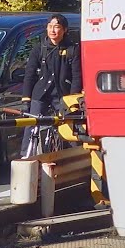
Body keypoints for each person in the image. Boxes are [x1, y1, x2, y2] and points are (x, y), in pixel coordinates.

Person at [20, 14, 82, 158]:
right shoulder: (39, 48)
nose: (53, 30)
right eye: (50, 26)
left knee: (69, 126)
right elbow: (29, 75)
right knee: (31, 122)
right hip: (40, 93)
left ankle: (76, 157)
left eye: (57, 27)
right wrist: (26, 99)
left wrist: (73, 101)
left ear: (64, 30)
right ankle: (25, 155)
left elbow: (77, 76)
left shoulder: (72, 49)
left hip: (63, 94)